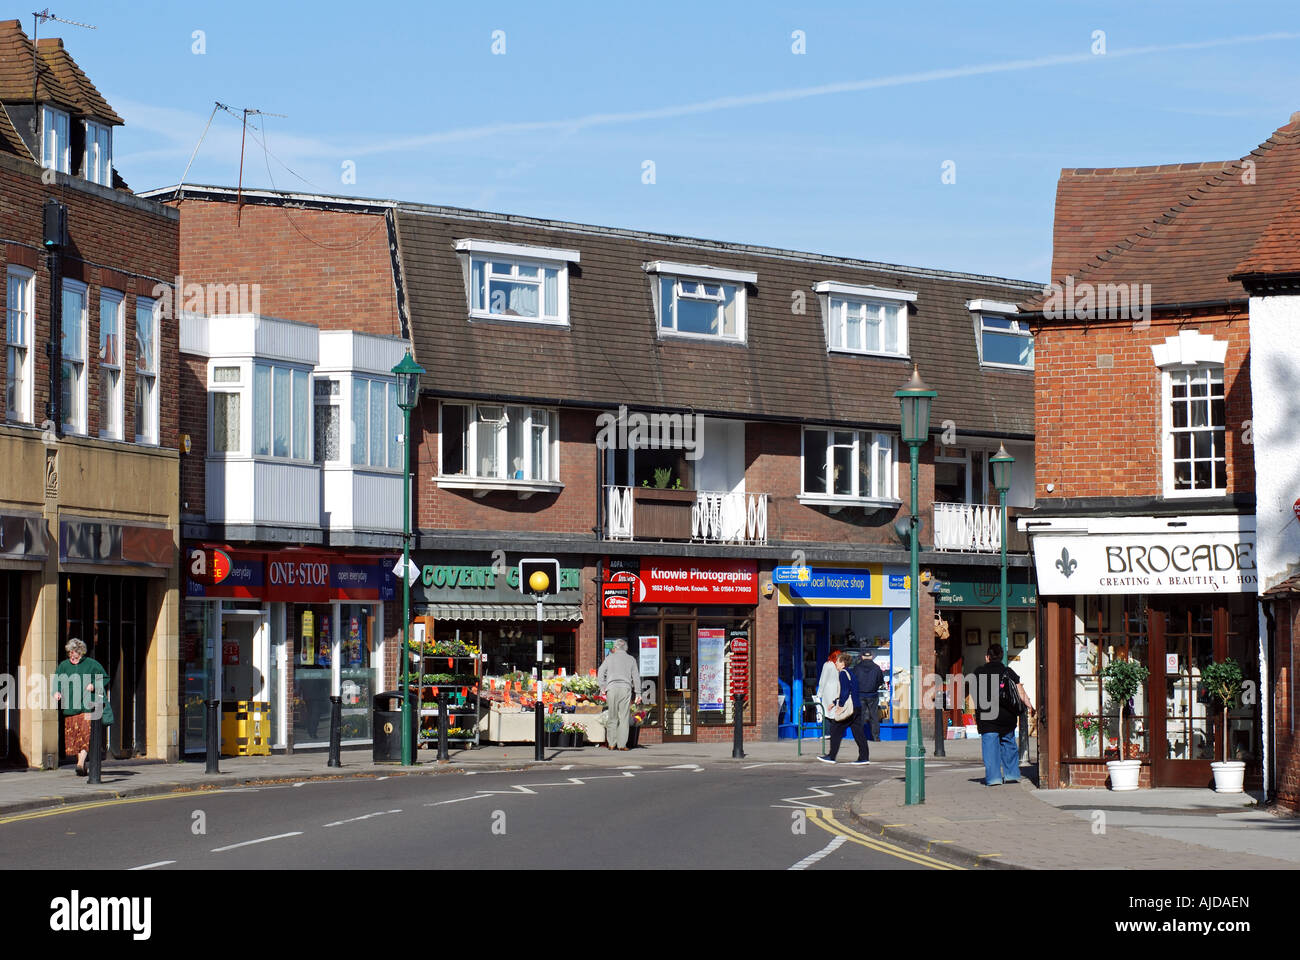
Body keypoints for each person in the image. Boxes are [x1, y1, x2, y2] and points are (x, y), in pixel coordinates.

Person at [973, 644, 1034, 786]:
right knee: (1009, 744)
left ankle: (994, 778)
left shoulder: (979, 672)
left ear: (987, 657)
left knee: (990, 748)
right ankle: (1012, 774)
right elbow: (1020, 693)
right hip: (1007, 717)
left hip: (987, 717)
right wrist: (1030, 705)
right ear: (1001, 657)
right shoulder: (1008, 672)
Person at [52, 638, 114, 776]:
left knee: (85, 735)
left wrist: (94, 684)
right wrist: (56, 691)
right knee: (74, 737)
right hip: (70, 707)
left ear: (80, 652)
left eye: (74, 653)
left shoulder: (91, 664)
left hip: (87, 706)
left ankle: (80, 764)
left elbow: (104, 678)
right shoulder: (63, 666)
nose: (71, 656)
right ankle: (82, 764)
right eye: (69, 653)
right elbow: (57, 681)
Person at [819, 652, 869, 765]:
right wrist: (833, 702)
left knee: (835, 729)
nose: (835, 664)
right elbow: (851, 690)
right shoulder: (851, 673)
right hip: (856, 707)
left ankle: (831, 756)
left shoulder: (842, 674)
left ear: (842, 663)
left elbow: (845, 692)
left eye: (837, 662)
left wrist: (840, 706)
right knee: (858, 733)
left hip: (849, 708)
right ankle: (864, 757)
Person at [597, 639, 641, 751]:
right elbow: (636, 677)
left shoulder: (609, 658)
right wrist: (638, 693)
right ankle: (622, 745)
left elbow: (601, 672)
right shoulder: (631, 659)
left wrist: (602, 687)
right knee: (624, 717)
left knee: (612, 716)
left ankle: (611, 743)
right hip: (625, 689)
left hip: (611, 689)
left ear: (615, 648)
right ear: (625, 648)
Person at [853, 650, 885, 742]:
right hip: (873, 694)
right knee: (874, 716)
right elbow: (880, 681)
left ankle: (860, 737)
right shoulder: (876, 668)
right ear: (871, 657)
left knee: (861, 715)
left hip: (860, 694)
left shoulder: (857, 668)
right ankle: (876, 737)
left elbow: (853, 681)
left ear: (862, 657)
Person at [816, 648, 841, 733]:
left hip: (828, 691)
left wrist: (819, 693)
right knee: (834, 712)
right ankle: (835, 732)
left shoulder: (828, 664)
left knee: (826, 712)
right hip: (837, 690)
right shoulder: (839, 665)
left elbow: (823, 679)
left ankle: (827, 732)